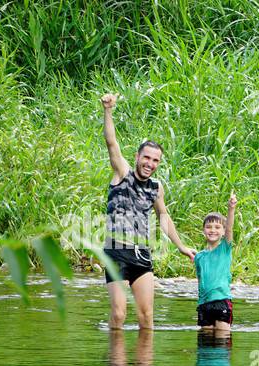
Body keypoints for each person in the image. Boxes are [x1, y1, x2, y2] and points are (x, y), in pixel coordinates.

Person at [100, 92, 195, 330]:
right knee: (120, 315)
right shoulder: (123, 173)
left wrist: (181, 246)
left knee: (146, 318)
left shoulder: (156, 187)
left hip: (142, 255)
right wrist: (108, 110)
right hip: (116, 253)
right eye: (146, 158)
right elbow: (111, 143)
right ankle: (116, 364)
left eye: (155, 161)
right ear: (137, 157)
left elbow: (163, 216)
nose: (150, 164)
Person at [195, 193, 236, 336]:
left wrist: (231, 209)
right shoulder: (199, 256)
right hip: (204, 304)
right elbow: (200, 280)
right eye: (209, 227)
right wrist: (200, 302)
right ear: (203, 230)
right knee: (205, 339)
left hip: (221, 300)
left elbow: (230, 228)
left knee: (222, 338)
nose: (212, 230)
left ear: (223, 232)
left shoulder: (224, 249)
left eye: (217, 227)